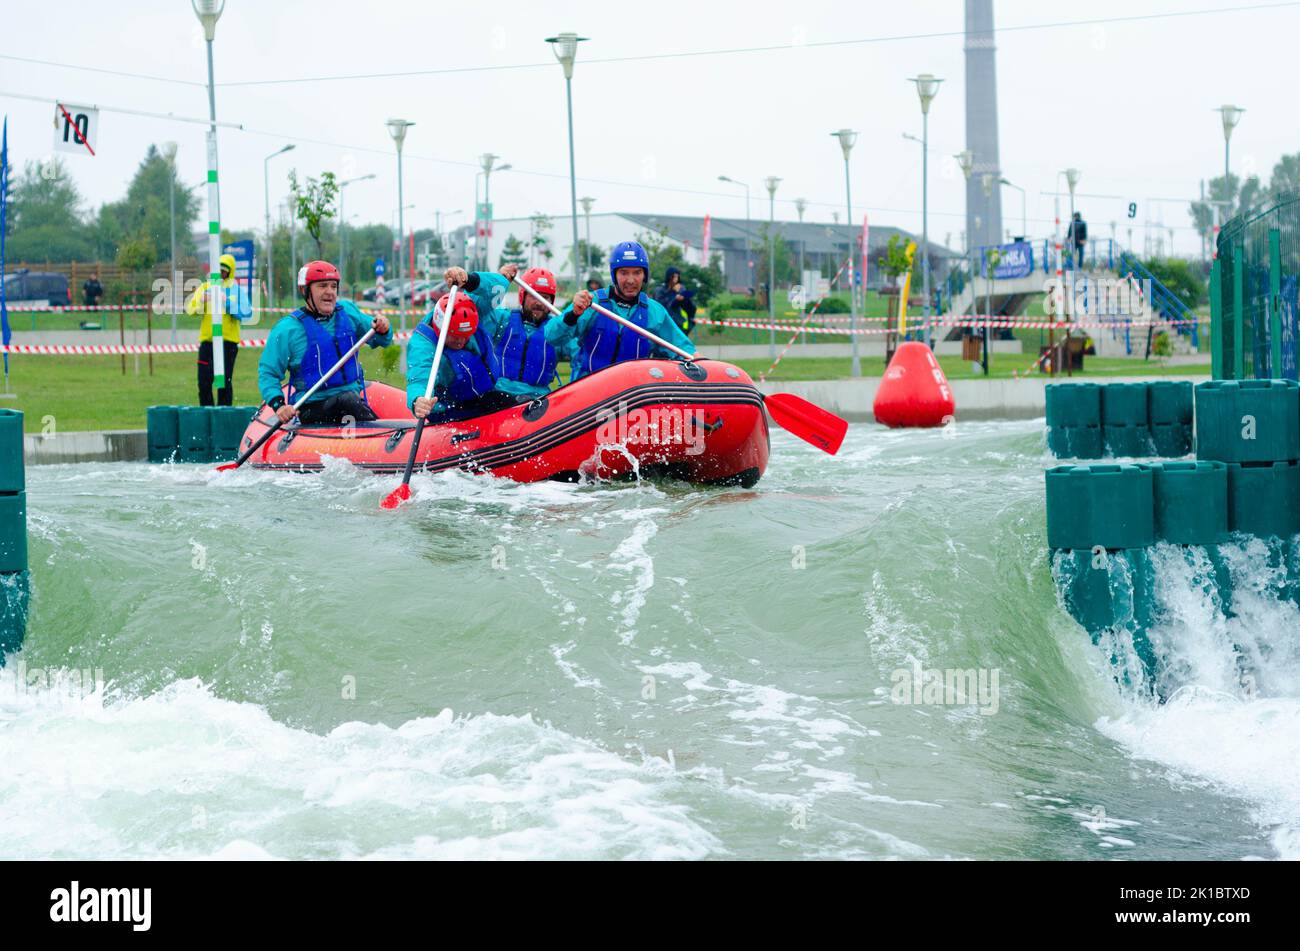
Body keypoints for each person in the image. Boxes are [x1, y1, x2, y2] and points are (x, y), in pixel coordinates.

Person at [257, 260, 392, 426]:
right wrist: (279, 406)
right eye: (322, 286)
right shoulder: (287, 329)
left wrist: (384, 327)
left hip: (353, 402)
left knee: (349, 400)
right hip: (313, 407)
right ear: (304, 290)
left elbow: (383, 339)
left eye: (333, 286)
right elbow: (268, 372)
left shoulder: (348, 312)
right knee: (347, 400)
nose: (330, 292)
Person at [547, 241, 696, 382]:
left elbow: (685, 350)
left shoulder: (655, 312)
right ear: (614, 275)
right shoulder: (592, 303)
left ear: (644, 275)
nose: (631, 280)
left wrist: (704, 364)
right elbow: (552, 336)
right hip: (589, 395)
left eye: (637, 273)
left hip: (631, 395)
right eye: (624, 273)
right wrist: (573, 315)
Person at [406, 286, 520, 422]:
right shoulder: (423, 346)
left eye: (465, 335)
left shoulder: (473, 311)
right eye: (455, 336)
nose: (461, 341)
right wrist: (418, 400)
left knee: (508, 402)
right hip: (448, 410)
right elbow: (419, 379)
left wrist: (471, 279)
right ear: (440, 328)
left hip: (482, 397)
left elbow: (496, 287)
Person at [185, 253, 253, 405]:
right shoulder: (205, 288)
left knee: (224, 383)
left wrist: (227, 302)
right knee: (204, 382)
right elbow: (190, 310)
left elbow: (247, 313)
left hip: (228, 345)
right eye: (219, 271)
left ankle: (224, 414)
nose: (221, 274)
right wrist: (201, 302)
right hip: (207, 344)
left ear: (230, 272)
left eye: (224, 271)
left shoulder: (236, 290)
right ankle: (206, 414)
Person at [653, 266, 697, 336]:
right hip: (664, 326)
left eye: (677, 277)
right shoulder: (660, 290)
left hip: (679, 326)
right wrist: (673, 294)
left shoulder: (680, 289)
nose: (675, 279)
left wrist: (685, 298)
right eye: (674, 277)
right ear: (669, 277)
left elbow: (691, 309)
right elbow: (661, 307)